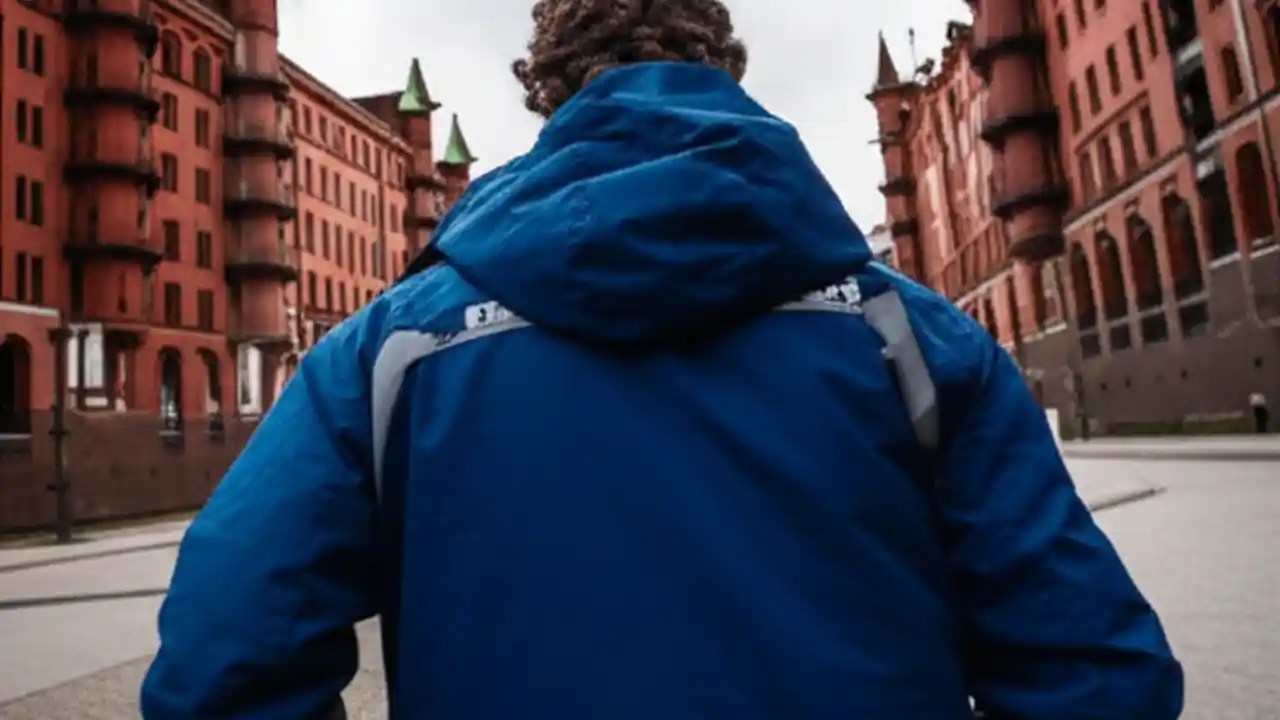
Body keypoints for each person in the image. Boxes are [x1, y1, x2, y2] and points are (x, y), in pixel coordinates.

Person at [141, 1, 1183, 717]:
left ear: (545, 88)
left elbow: (224, 657)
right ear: (721, 67)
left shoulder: (389, 352)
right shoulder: (913, 339)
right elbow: (1091, 668)